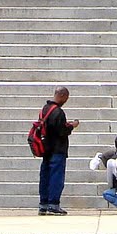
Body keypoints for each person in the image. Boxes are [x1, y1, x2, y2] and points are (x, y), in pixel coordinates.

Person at [36, 86, 80, 216]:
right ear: (62, 95)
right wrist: (72, 126)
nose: (66, 100)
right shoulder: (58, 112)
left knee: (45, 176)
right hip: (57, 150)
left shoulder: (45, 109)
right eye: (66, 97)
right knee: (56, 177)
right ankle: (53, 205)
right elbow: (61, 131)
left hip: (46, 149)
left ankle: (43, 204)